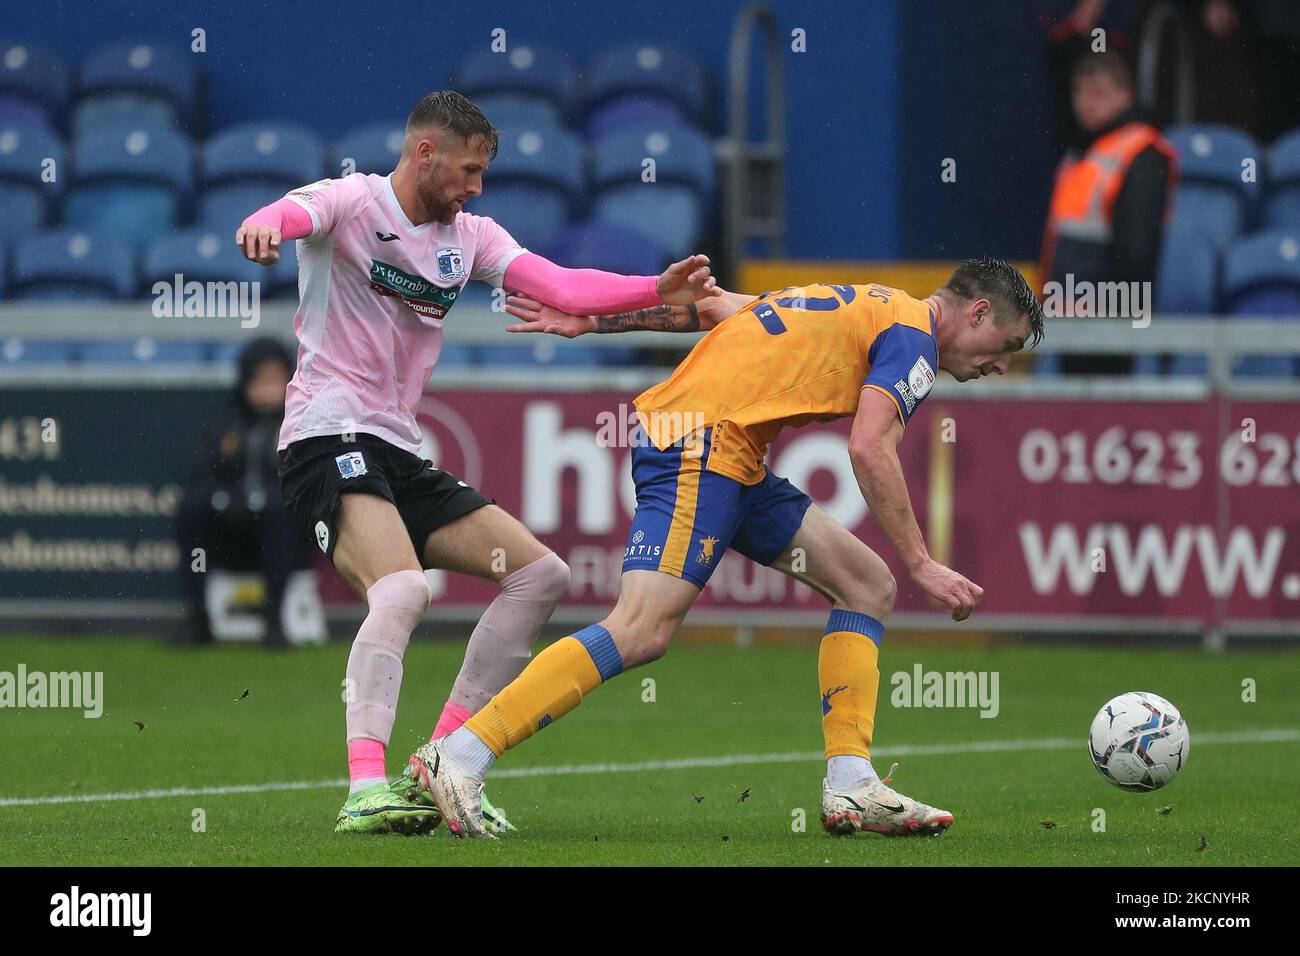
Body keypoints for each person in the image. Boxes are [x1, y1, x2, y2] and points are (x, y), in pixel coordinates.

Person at [406, 259, 1045, 839]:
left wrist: (588, 322)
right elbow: (869, 447)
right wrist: (922, 562)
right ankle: (460, 753)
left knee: (866, 586)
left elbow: (712, 308)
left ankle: (851, 784)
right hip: (704, 445)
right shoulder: (914, 341)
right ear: (978, 312)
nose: (999, 365)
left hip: (730, 456)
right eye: (1006, 347)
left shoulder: (871, 304)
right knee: (641, 629)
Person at [234, 90, 719, 835]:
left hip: (395, 448)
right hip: (326, 438)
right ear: (424, 152)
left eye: (482, 174)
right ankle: (365, 788)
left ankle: (441, 759)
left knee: (540, 575)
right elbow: (291, 215)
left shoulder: (472, 238)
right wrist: (265, 224)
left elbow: (559, 285)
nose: (476, 187)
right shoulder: (352, 200)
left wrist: (654, 289)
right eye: (467, 170)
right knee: (400, 591)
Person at [1040, 49, 1176, 375]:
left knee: (1108, 414)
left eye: (1098, 93)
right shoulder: (1083, 150)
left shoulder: (1141, 152)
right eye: (1080, 93)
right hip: (1071, 313)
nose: (1086, 103)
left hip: (1109, 320)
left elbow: (1137, 249)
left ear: (1125, 95)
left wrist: (1107, 308)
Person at [174, 338, 307, 648]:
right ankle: (198, 617)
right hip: (227, 535)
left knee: (280, 510)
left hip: (283, 537)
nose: (267, 389)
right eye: (260, 380)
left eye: (275, 380)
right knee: (192, 509)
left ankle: (274, 621)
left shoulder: (302, 422)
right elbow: (202, 474)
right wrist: (229, 498)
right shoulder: (224, 421)